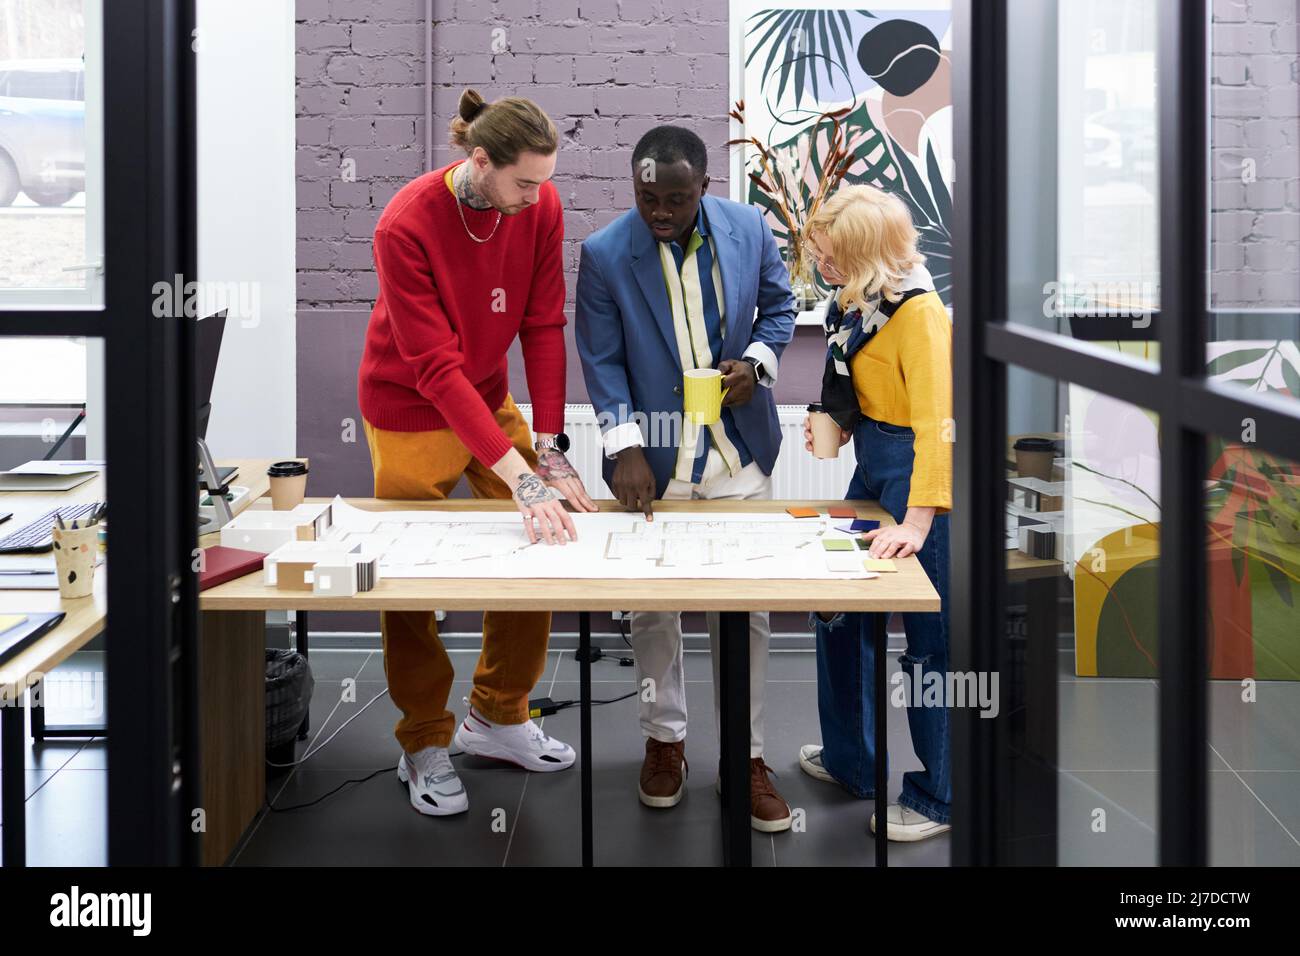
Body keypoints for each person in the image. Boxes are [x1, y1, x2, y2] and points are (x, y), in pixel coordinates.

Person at [357, 88, 597, 817]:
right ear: (479, 160)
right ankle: (425, 739)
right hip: (409, 405)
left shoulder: (536, 205)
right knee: (407, 575)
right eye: (523, 182)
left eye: (545, 181)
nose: (536, 198)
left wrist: (548, 451)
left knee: (544, 537)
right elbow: (432, 368)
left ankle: (496, 715)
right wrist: (518, 477)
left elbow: (544, 324)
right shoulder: (406, 222)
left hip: (487, 394)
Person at [575, 125, 797, 831]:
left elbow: (781, 307)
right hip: (657, 468)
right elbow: (602, 361)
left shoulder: (748, 228)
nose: (661, 212)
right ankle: (664, 742)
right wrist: (624, 447)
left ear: (706, 187)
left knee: (747, 616)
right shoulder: (606, 254)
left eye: (676, 198)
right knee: (651, 612)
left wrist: (756, 366)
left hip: (738, 459)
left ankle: (748, 756)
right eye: (648, 198)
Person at [798, 184, 954, 842]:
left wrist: (918, 523)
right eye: (819, 256)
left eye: (831, 260)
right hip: (878, 457)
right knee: (839, 610)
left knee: (931, 644)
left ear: (866, 257)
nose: (820, 269)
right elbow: (859, 383)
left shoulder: (918, 314)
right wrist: (832, 420)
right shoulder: (858, 301)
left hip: (923, 473)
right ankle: (853, 761)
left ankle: (940, 797)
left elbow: (939, 426)